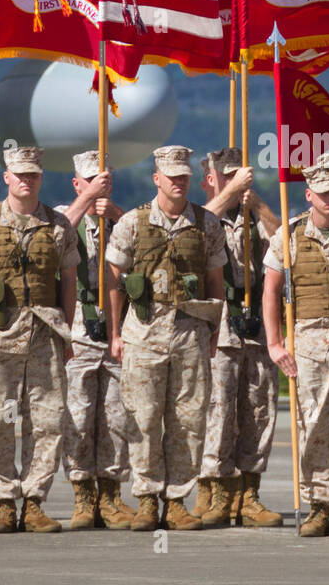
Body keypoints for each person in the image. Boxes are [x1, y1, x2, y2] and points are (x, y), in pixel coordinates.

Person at [106, 146, 225, 532]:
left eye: (183, 176)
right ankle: (145, 499)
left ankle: (176, 501)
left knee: (188, 420)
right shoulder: (132, 223)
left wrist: (214, 330)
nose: (178, 182)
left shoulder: (206, 224)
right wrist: (114, 332)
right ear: (156, 178)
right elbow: (113, 281)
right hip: (143, 330)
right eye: (170, 176)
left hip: (190, 329)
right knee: (142, 417)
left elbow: (215, 282)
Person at [0, 146, 79, 533]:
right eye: (20, 174)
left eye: (34, 175)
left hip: (44, 334)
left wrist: (67, 333)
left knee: (46, 421)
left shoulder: (59, 225)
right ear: (7, 178)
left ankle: (34, 501)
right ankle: (4, 500)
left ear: (41, 179)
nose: (27, 180)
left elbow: (69, 282)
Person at [262, 153, 329, 537]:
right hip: (308, 340)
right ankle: (319, 504)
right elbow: (271, 291)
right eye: (324, 193)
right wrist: (275, 343)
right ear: (308, 194)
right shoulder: (289, 237)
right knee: (312, 425)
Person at [197, 147, 283, 528]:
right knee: (218, 412)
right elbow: (195, 229)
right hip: (221, 327)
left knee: (258, 409)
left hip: (257, 327)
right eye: (225, 176)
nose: (234, 182)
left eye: (239, 175)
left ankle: (249, 493)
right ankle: (216, 491)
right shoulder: (201, 215)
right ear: (211, 180)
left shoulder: (252, 217)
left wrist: (257, 203)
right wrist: (231, 193)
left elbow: (286, 243)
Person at [56, 150, 137, 530]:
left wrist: (116, 214)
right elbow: (55, 237)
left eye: (102, 181)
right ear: (77, 183)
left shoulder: (120, 220)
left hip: (117, 330)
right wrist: (87, 201)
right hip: (78, 330)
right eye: (89, 181)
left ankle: (111, 494)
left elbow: (145, 242)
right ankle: (82, 496)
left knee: (116, 417)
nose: (97, 187)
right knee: (78, 417)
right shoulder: (61, 214)